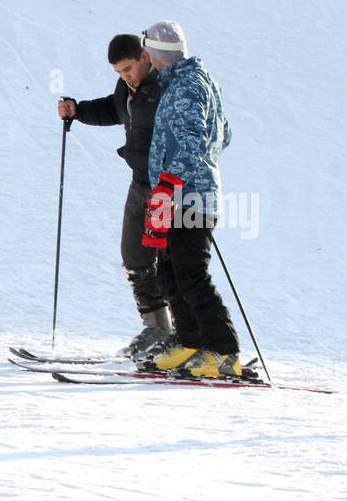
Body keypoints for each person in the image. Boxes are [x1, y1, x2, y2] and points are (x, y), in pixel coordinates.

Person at [58, 34, 170, 357]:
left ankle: (183, 336)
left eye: (129, 68)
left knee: (169, 262)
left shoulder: (164, 91)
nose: (126, 76)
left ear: (145, 57)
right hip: (140, 184)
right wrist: (77, 111)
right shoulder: (128, 89)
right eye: (119, 72)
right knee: (133, 256)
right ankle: (157, 328)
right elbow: (113, 108)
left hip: (166, 188)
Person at [140, 20, 240, 378]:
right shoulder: (192, 81)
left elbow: (193, 143)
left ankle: (224, 351)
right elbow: (223, 135)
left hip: (188, 198)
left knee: (190, 274)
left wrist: (169, 184)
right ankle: (192, 342)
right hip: (183, 194)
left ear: (153, 53)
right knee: (170, 271)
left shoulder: (185, 87)